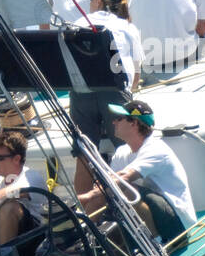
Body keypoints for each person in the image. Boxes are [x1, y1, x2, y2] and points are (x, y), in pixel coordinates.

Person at [77, 99, 196, 245]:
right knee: (107, 192)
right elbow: (106, 184)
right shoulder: (122, 152)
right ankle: (82, 237)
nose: (113, 122)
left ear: (134, 123)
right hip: (149, 215)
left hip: (177, 224)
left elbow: (122, 178)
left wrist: (87, 196)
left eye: (119, 119)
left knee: (124, 189)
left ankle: (158, 245)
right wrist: (91, 199)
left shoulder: (156, 149)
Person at [70, 0, 144, 192]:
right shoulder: (128, 27)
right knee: (125, 151)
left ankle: (86, 214)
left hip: (81, 93)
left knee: (84, 155)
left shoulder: (76, 23)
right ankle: (133, 208)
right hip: (115, 93)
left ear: (99, 1)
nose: (89, 4)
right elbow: (136, 76)